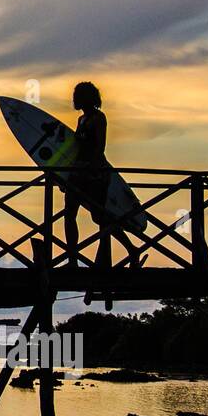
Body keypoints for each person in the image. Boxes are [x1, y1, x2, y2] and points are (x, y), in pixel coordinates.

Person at [62, 82, 142, 285]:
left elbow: (99, 148)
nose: (75, 99)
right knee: (69, 213)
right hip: (77, 173)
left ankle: (132, 250)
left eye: (78, 95)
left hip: (95, 174)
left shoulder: (99, 118)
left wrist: (90, 171)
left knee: (101, 218)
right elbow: (75, 150)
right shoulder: (81, 119)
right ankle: (72, 259)